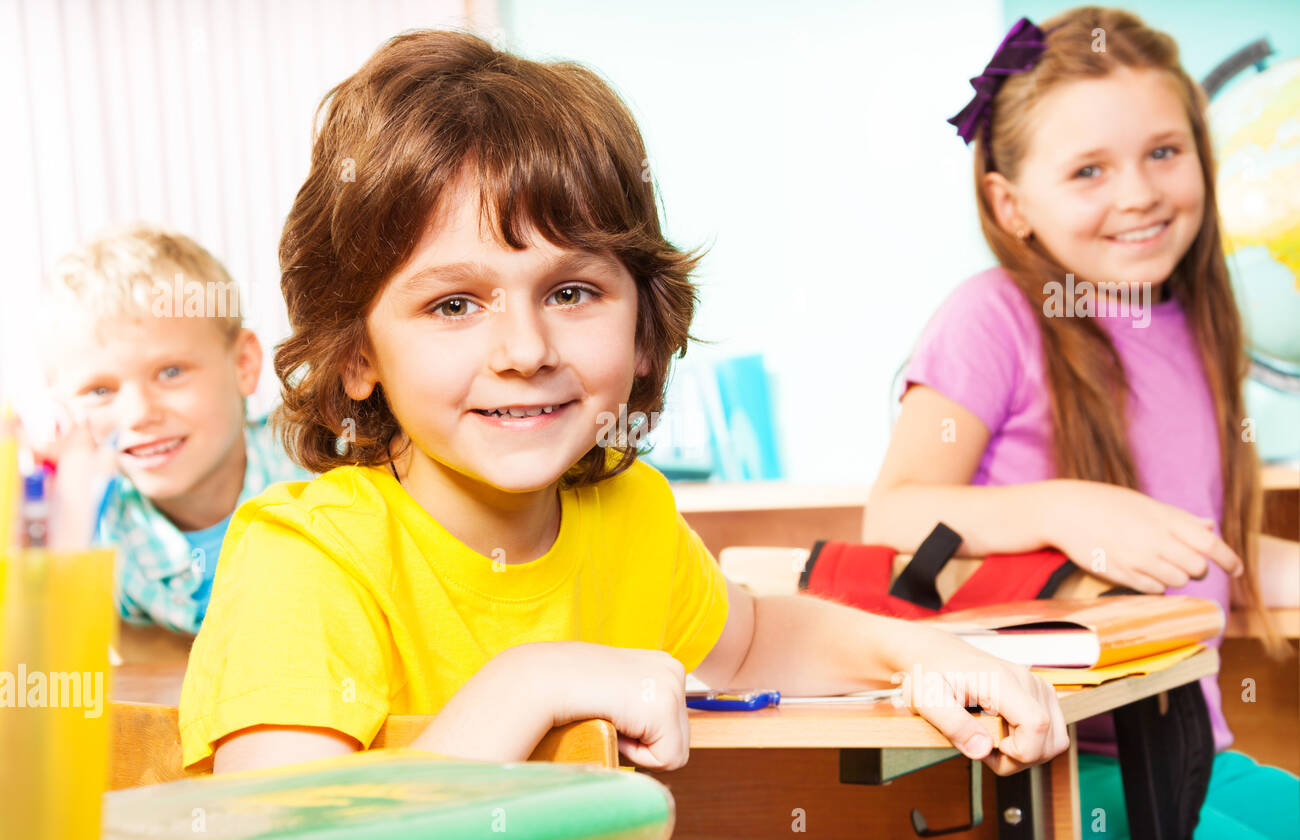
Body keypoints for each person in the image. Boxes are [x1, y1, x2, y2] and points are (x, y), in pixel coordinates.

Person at [179, 30, 1068, 779]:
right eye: (454, 305)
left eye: (571, 292)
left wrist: (923, 653)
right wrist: (529, 684)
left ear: (646, 323)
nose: (525, 352)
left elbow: (751, 638)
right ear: (356, 354)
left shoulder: (629, 517)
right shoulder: (306, 562)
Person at [867, 7, 1300, 840]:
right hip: (1056, 771)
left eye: (1164, 153)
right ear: (1010, 203)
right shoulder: (992, 318)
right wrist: (1065, 508)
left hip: (1190, 754)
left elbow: (1205, 545)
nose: (1138, 193)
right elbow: (893, 518)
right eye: (1090, 170)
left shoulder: (1195, 325)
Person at [40, 225, 312, 635]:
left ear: (243, 365)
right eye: (99, 390)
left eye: (170, 372)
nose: (138, 414)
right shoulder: (92, 532)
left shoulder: (319, 466)